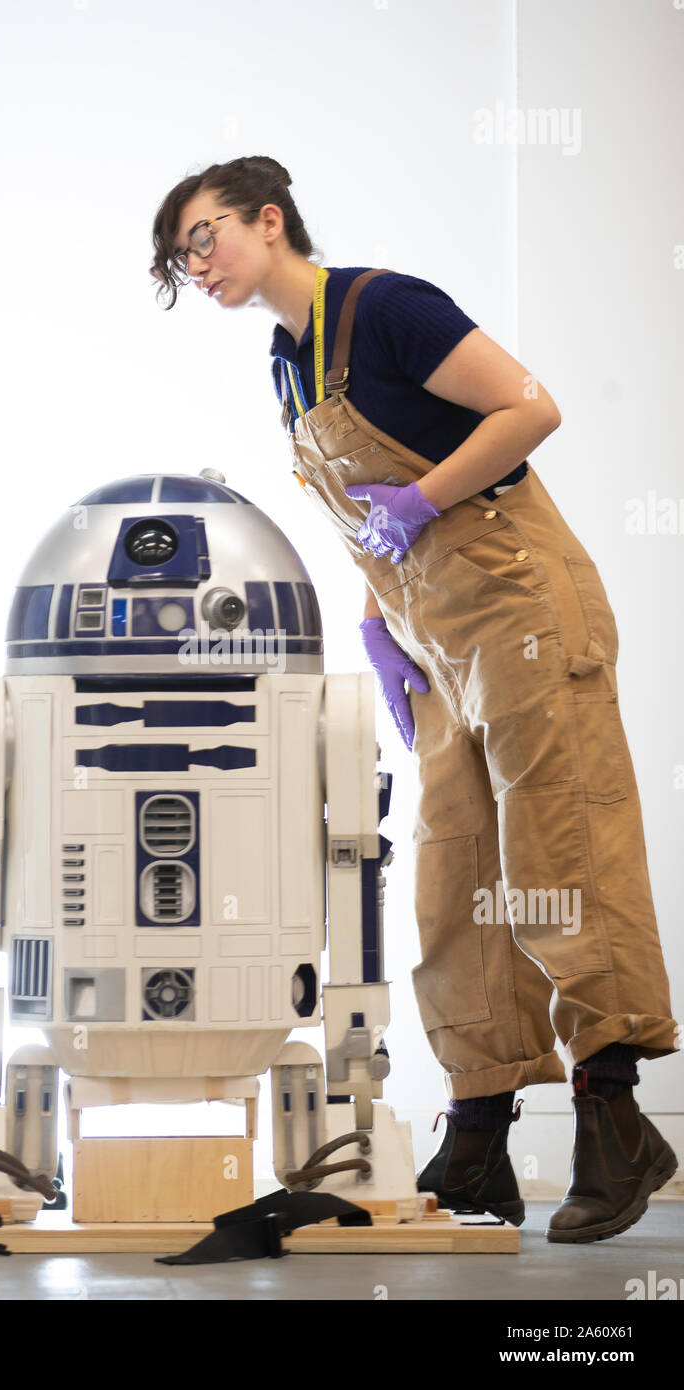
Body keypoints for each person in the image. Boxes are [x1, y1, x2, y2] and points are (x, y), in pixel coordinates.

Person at [149, 155, 679, 1242]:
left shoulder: (384, 306)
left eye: (204, 238)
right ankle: (478, 1135)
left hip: (521, 603)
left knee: (558, 852)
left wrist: (426, 498)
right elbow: (362, 515)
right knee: (452, 880)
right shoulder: (287, 364)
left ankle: (616, 1118)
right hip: (431, 636)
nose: (195, 265)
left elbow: (530, 408)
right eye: (178, 256)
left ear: (268, 218)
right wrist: (372, 624)